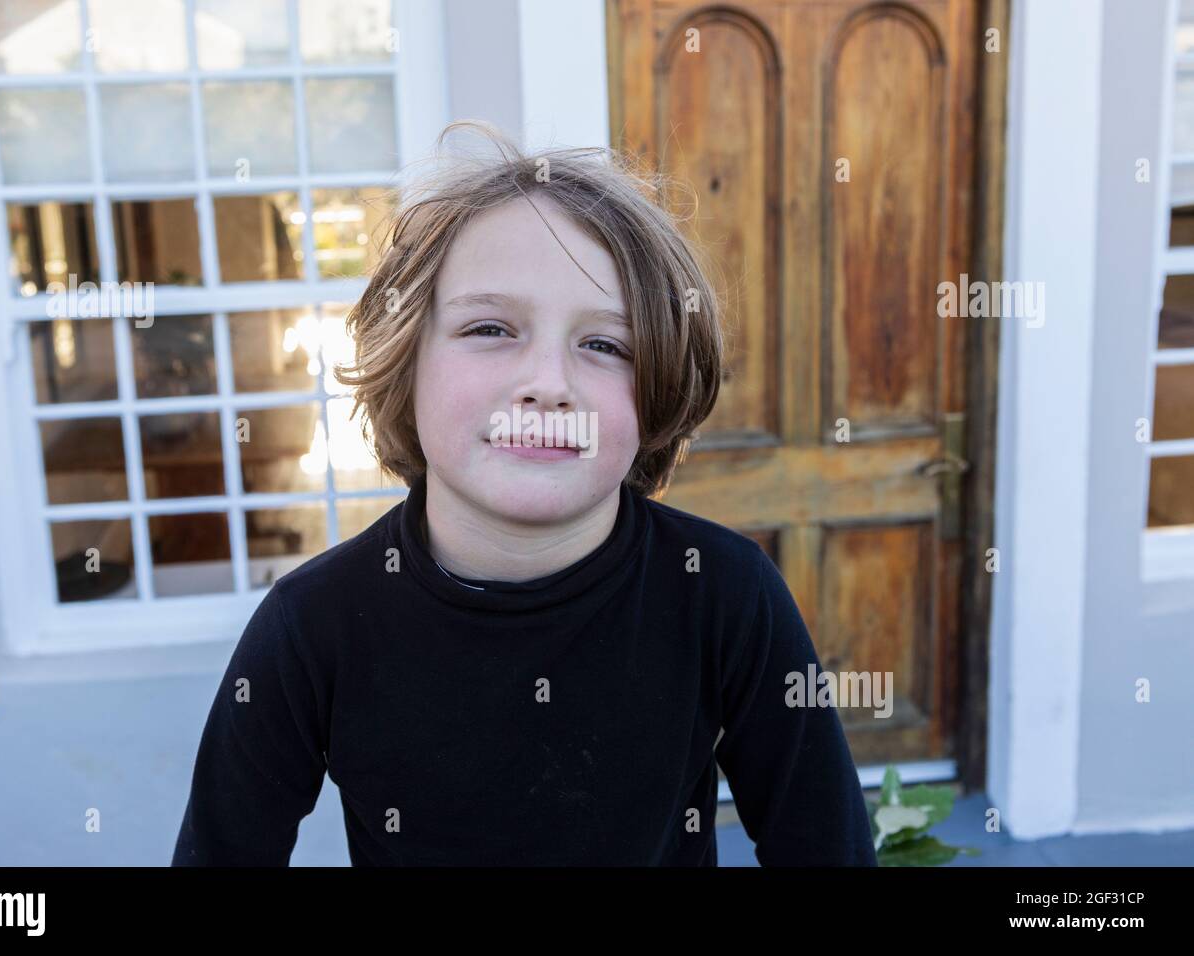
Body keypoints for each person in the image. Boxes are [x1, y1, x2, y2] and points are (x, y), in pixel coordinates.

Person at [171, 121, 877, 866]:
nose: (548, 383)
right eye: (490, 328)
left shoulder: (726, 595)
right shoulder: (312, 625)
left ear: (661, 385)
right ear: (406, 359)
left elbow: (825, 845)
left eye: (605, 344)